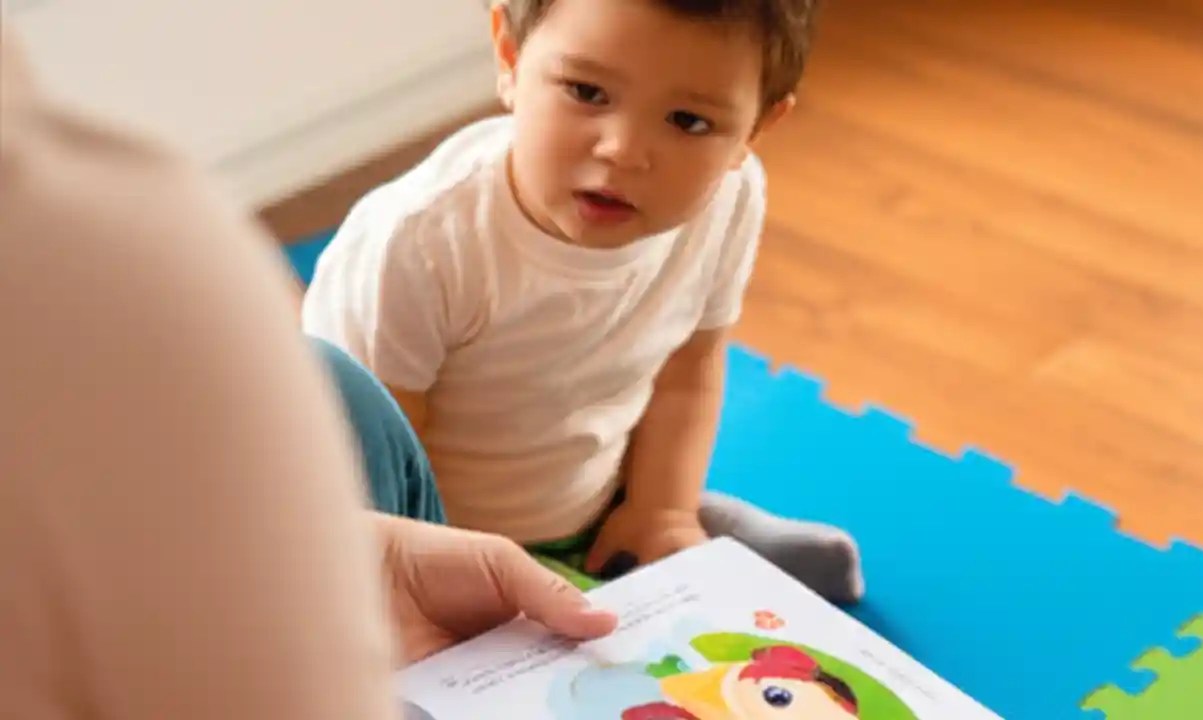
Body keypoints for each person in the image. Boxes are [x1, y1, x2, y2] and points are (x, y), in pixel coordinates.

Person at [0, 29, 615, 720]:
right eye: (587, 92)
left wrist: (359, 554)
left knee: (335, 390)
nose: (623, 150)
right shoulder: (88, 250)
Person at [302, 0, 864, 603]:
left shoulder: (728, 198)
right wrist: (447, 591)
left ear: (752, 133)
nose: (623, 150)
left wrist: (662, 510)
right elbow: (375, 467)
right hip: (426, 531)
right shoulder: (421, 243)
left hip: (589, 493)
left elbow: (688, 368)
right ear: (511, 57)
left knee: (655, 528)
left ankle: (671, 532)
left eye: (688, 122)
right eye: (587, 92)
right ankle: (671, 567)